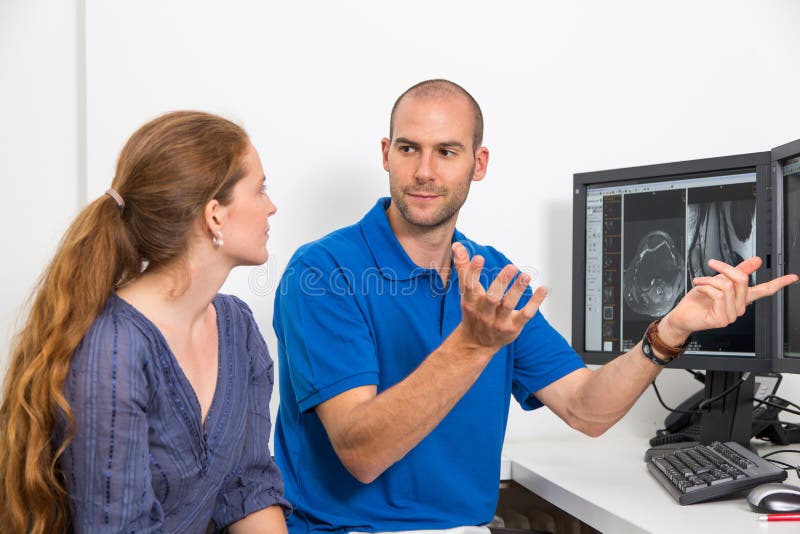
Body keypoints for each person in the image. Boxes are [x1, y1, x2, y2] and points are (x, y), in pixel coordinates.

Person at [272, 79, 798, 533]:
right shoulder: (323, 273)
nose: (424, 171)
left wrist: (672, 330)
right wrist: (471, 348)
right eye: (408, 149)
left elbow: (585, 409)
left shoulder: (493, 276)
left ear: (478, 164)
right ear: (385, 153)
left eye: (447, 152)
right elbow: (361, 454)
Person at [0, 111, 290, 533]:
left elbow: (248, 489)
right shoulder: (113, 349)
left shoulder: (237, 327)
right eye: (260, 189)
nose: (272, 205)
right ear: (215, 215)